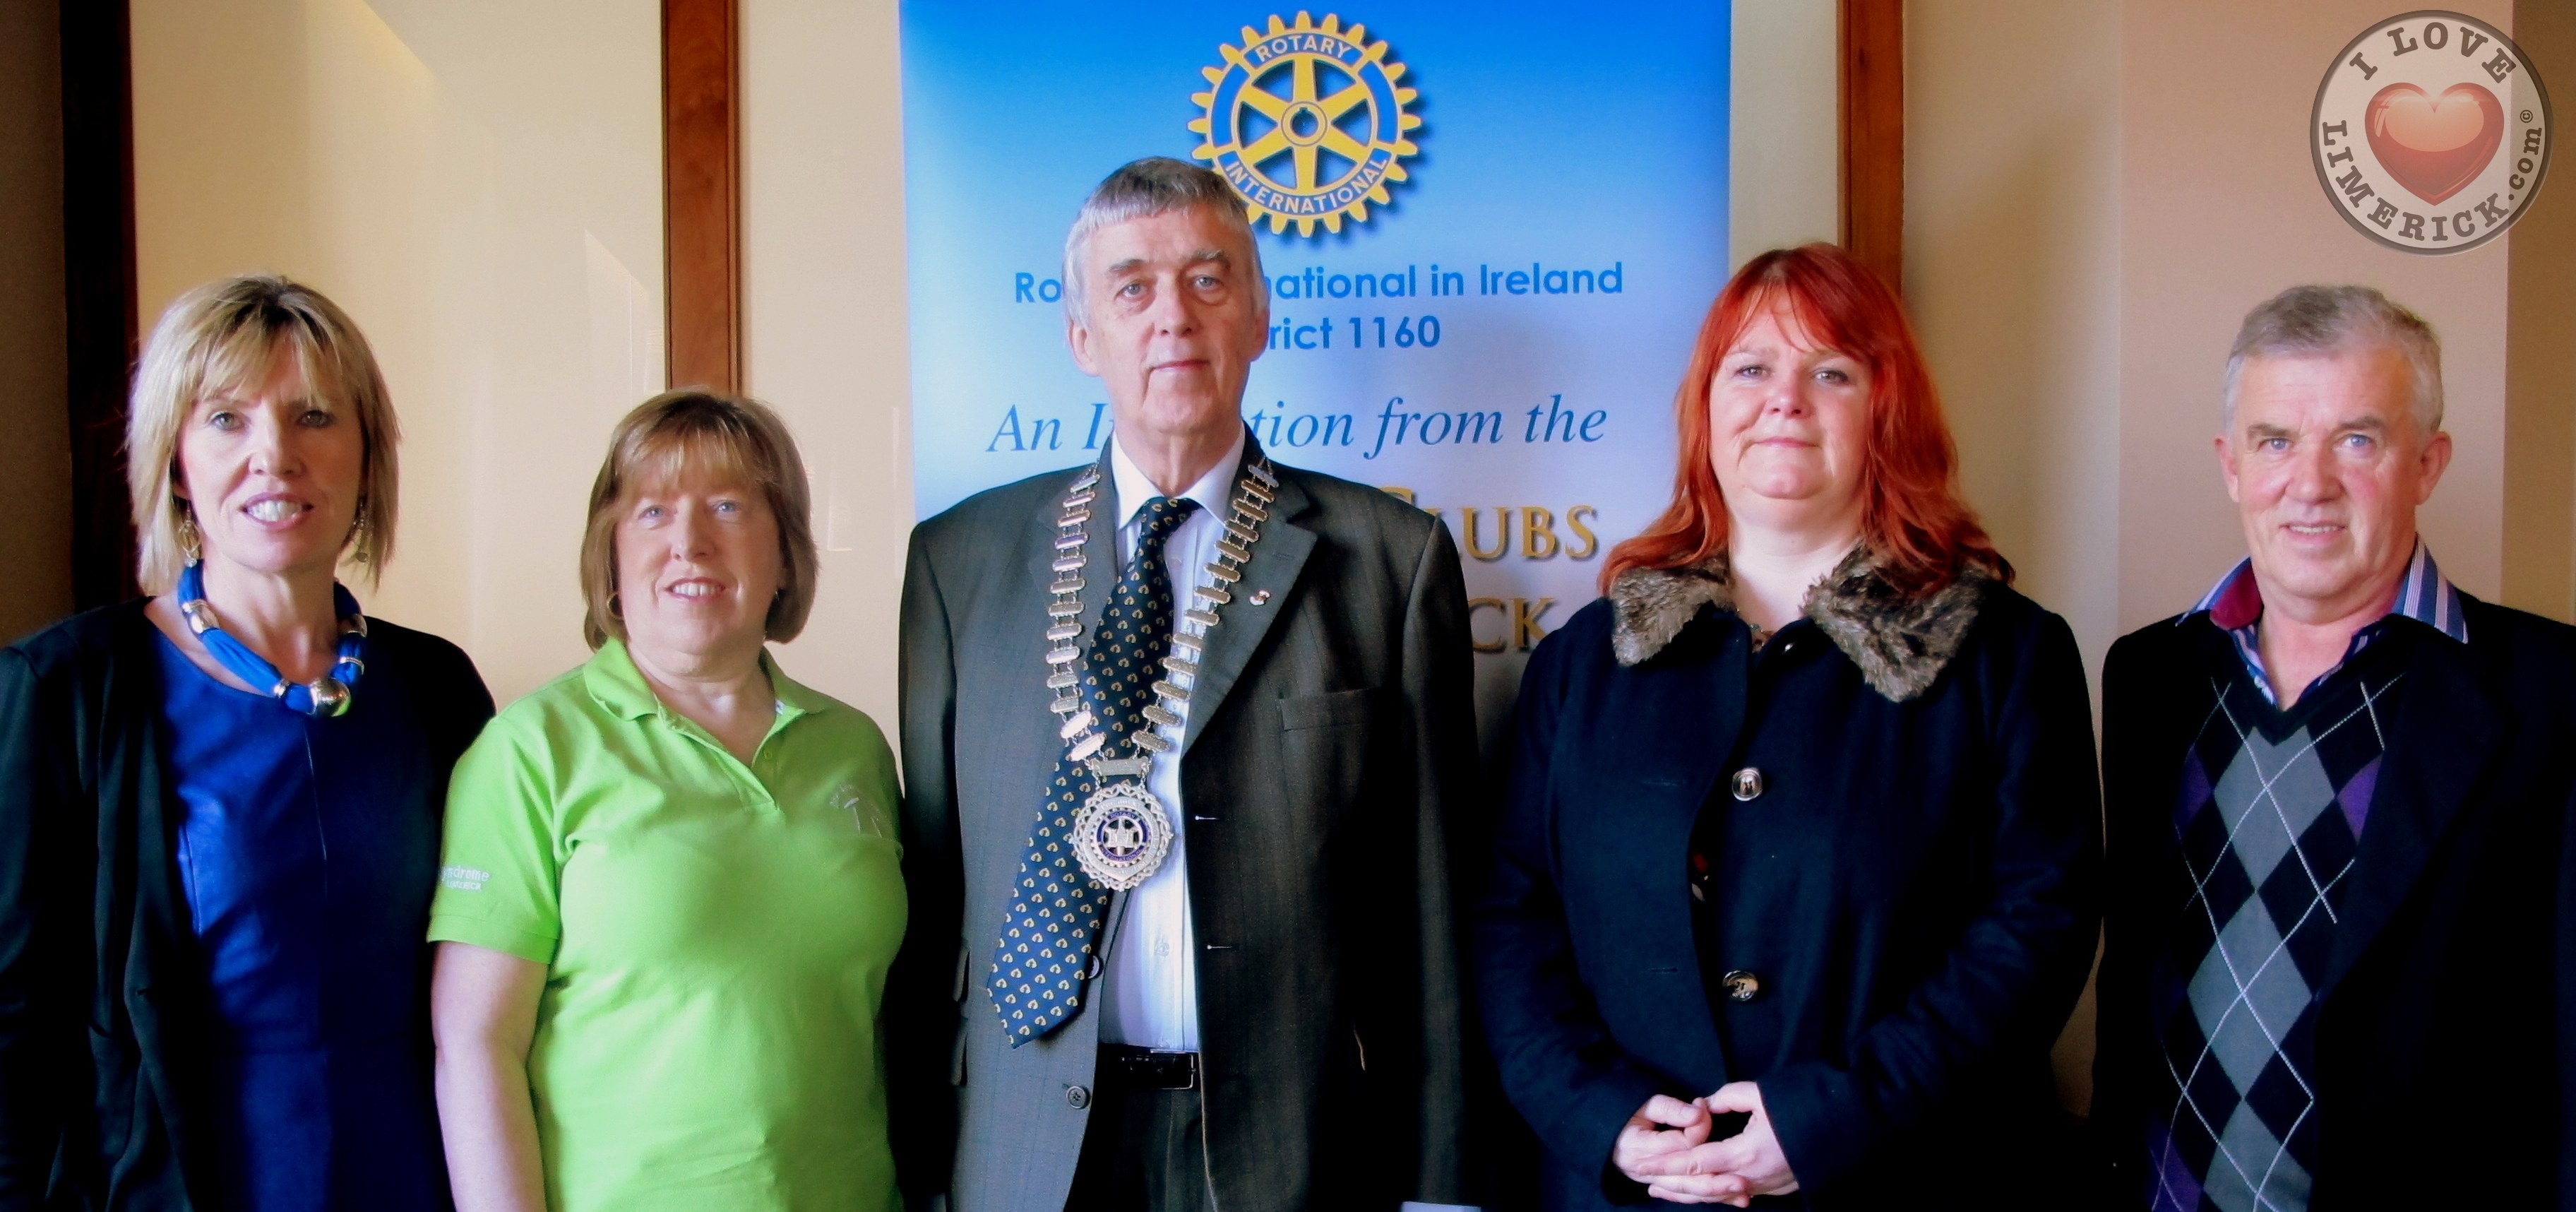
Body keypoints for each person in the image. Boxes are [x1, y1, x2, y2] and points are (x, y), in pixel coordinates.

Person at [892, 157, 1481, 1212]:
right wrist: (922, 1164)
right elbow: (932, 900)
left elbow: (1433, 907)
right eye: (1132, 288)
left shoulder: (1391, 561)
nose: (1173, 315)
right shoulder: (958, 562)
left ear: (1258, 318)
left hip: (1290, 1147)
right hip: (1026, 1149)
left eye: (1209, 280)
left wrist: (1441, 1184)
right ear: (1083, 338)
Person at [1475, 244, 2101, 1209]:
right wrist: (1597, 1116)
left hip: (1908, 1182)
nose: (1785, 401)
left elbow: (2039, 929)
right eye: (1752, 368)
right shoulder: (1583, 663)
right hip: (1625, 1194)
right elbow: (1512, 917)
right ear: (1706, 406)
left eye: (1831, 372)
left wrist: (1831, 1119)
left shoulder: (2006, 656)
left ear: (1887, 408)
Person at [0, 275, 494, 1209]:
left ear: (367, 456)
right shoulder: (64, 689)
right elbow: (11, 1028)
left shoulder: (440, 688)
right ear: (176, 463)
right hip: (184, 1184)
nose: (275, 456)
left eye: (315, 417)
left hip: (419, 1172)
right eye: (226, 419)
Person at [2089, 287, 2576, 1211]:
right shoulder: (2149, 676)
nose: (2310, 483)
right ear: (2232, 466)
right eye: (2275, 441)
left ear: (2427, 463)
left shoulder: (2552, 696)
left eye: (2357, 440)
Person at [427, 392, 904, 1212]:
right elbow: (477, 1045)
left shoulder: (854, 747)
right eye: (652, 511)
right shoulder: (531, 751)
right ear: (610, 557)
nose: (689, 542)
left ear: (785, 554)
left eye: (729, 506)